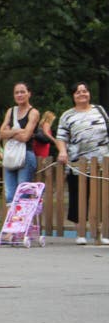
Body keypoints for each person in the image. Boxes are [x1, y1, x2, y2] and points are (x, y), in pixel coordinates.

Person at [54, 82, 109, 245]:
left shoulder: (100, 111)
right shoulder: (67, 115)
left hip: (102, 162)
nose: (82, 94)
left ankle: (103, 231)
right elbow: (61, 137)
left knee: (102, 197)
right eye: (78, 92)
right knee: (78, 196)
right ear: (73, 96)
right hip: (78, 162)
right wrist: (62, 152)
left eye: (85, 91)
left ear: (89, 94)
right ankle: (81, 232)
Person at [0, 82, 40, 205]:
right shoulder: (10, 111)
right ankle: (13, 223)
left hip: (25, 155)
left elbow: (26, 137)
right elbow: (1, 133)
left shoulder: (33, 112)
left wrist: (10, 133)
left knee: (23, 194)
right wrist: (18, 131)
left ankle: (23, 224)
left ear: (29, 94)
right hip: (11, 155)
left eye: (22, 92)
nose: (19, 95)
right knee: (10, 195)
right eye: (16, 92)